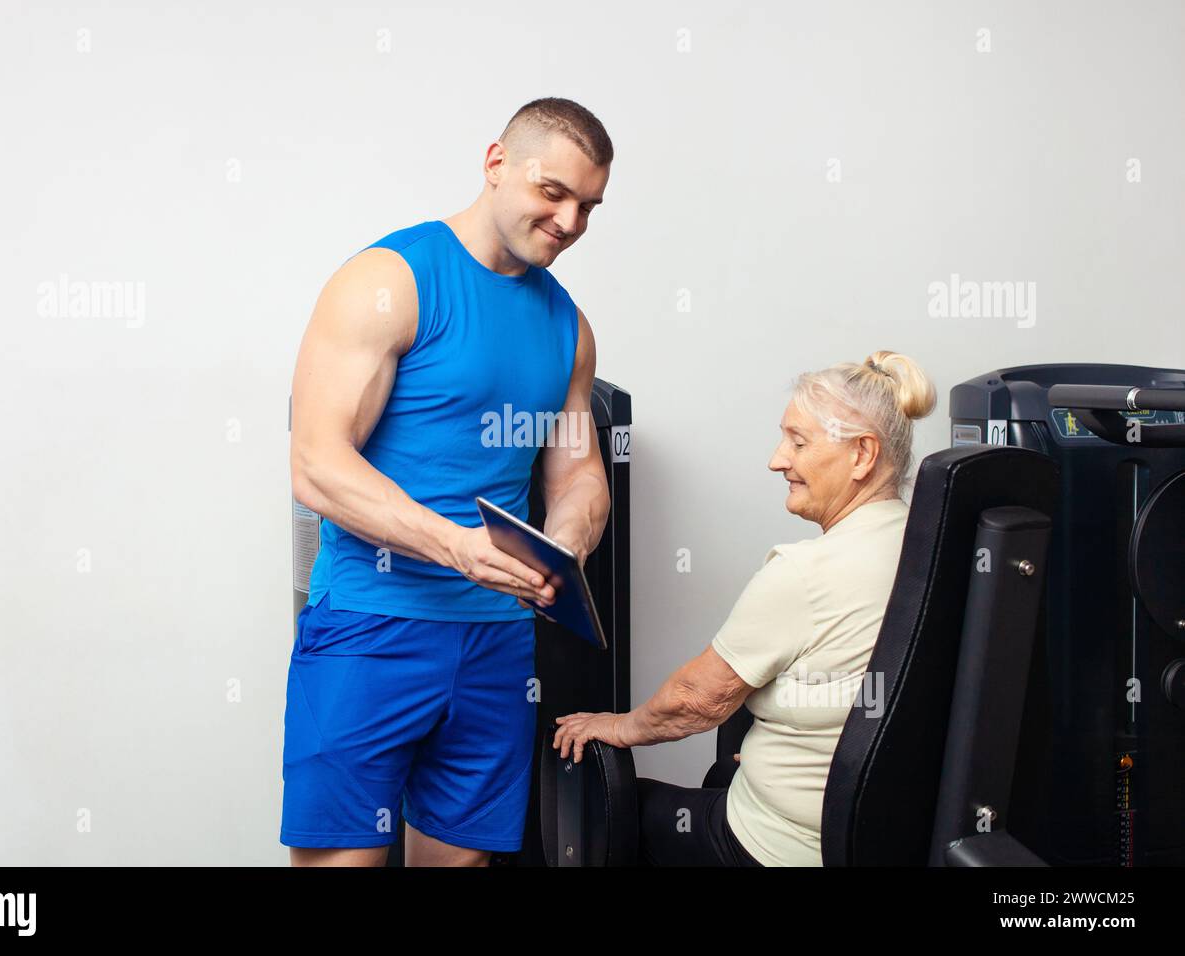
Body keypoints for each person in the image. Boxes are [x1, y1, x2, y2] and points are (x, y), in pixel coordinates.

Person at [283, 98, 613, 866]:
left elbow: (579, 473)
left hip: (497, 642)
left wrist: (562, 546)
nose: (570, 222)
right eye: (553, 193)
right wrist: (454, 548)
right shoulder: (388, 280)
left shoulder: (569, 326)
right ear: (496, 163)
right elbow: (316, 464)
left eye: (589, 206)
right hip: (372, 625)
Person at [552, 351, 937, 866]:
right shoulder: (928, 549)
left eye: (798, 442)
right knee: (722, 772)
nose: (778, 460)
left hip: (778, 846)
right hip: (880, 836)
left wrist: (618, 726)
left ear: (863, 455)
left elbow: (696, 700)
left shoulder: (805, 573)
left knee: (612, 810)